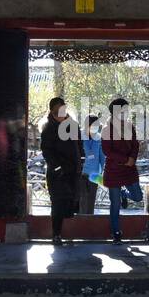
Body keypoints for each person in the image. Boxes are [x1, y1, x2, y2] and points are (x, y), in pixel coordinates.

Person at [40, 96, 82, 246]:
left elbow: (79, 146)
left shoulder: (73, 126)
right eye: (57, 111)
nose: (61, 113)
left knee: (70, 203)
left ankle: (69, 234)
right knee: (57, 204)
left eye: (63, 109)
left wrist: (81, 161)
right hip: (57, 174)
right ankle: (56, 234)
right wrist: (58, 168)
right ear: (51, 111)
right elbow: (46, 151)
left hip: (73, 172)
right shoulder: (48, 128)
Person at [101, 97, 143, 244]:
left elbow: (135, 145)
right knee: (115, 204)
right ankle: (116, 233)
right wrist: (125, 159)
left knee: (138, 197)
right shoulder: (107, 129)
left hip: (129, 169)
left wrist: (132, 158)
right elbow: (107, 150)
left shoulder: (130, 127)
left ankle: (124, 194)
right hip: (114, 170)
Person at [79, 114, 103, 215]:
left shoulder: (99, 138)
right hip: (81, 172)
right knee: (83, 198)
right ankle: (82, 222)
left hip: (95, 173)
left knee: (91, 199)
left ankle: (89, 222)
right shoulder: (80, 136)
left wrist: (102, 170)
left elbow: (102, 156)